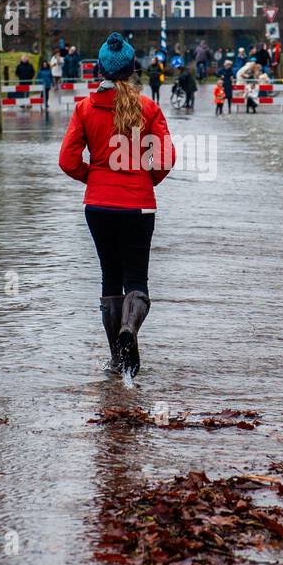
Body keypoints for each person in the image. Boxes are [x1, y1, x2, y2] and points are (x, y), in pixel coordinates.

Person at [59, 33, 173, 377]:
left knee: (110, 276)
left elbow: (67, 160)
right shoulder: (149, 108)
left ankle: (116, 358)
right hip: (138, 205)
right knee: (136, 277)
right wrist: (144, 180)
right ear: (133, 69)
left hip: (98, 206)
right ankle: (130, 330)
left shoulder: (84, 108)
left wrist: (93, 178)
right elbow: (166, 157)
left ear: (99, 71)